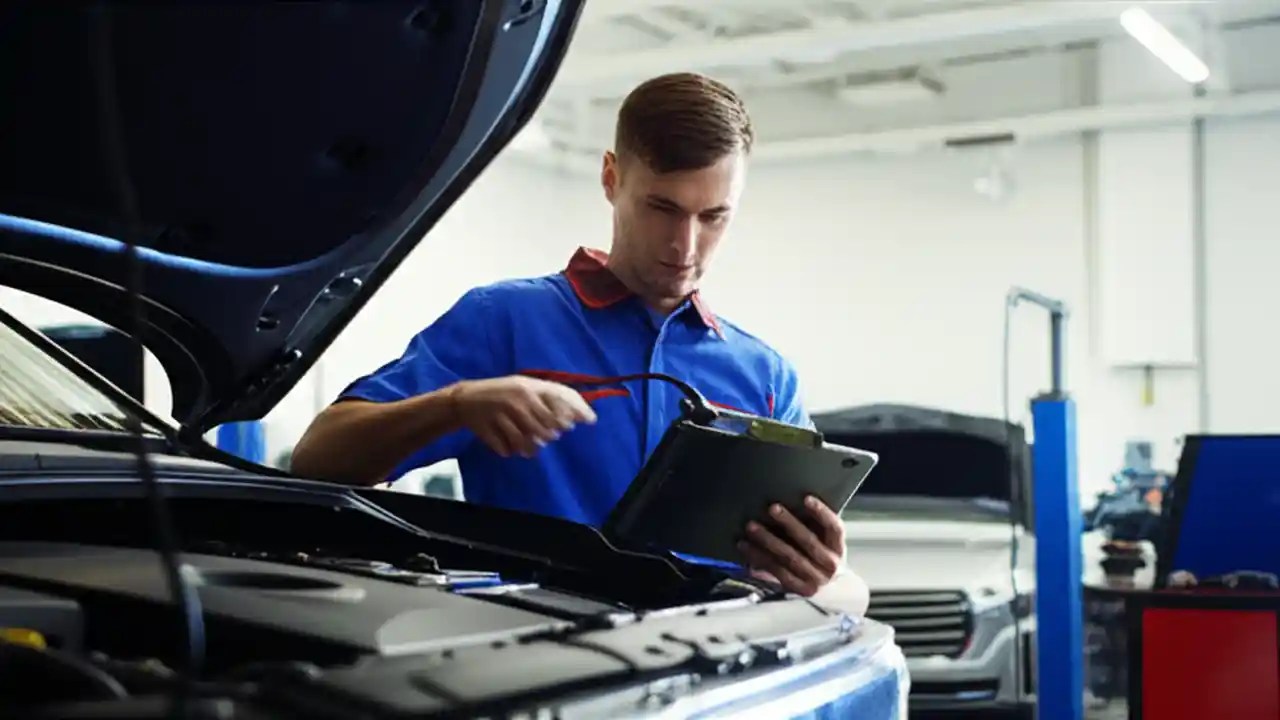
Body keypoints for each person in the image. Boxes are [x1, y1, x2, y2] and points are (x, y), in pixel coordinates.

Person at [291, 72, 868, 613]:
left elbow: (846, 592)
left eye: (714, 216)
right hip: (543, 673)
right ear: (611, 178)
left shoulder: (767, 377)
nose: (685, 246)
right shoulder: (504, 321)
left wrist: (823, 578)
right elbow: (318, 459)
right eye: (662, 208)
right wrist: (455, 404)